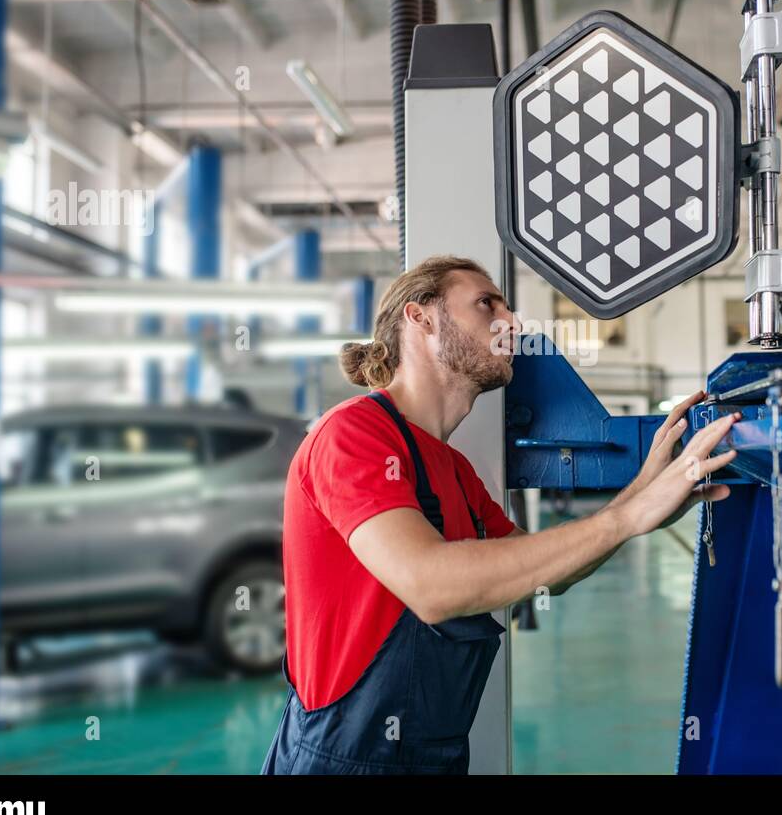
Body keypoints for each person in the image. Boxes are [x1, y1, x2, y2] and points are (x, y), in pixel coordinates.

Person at [261, 255, 737, 774]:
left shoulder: (457, 470)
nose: (512, 324)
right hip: (342, 759)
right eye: (487, 304)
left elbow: (542, 579)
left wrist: (639, 495)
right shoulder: (353, 435)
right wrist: (626, 518)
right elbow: (432, 586)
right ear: (419, 319)